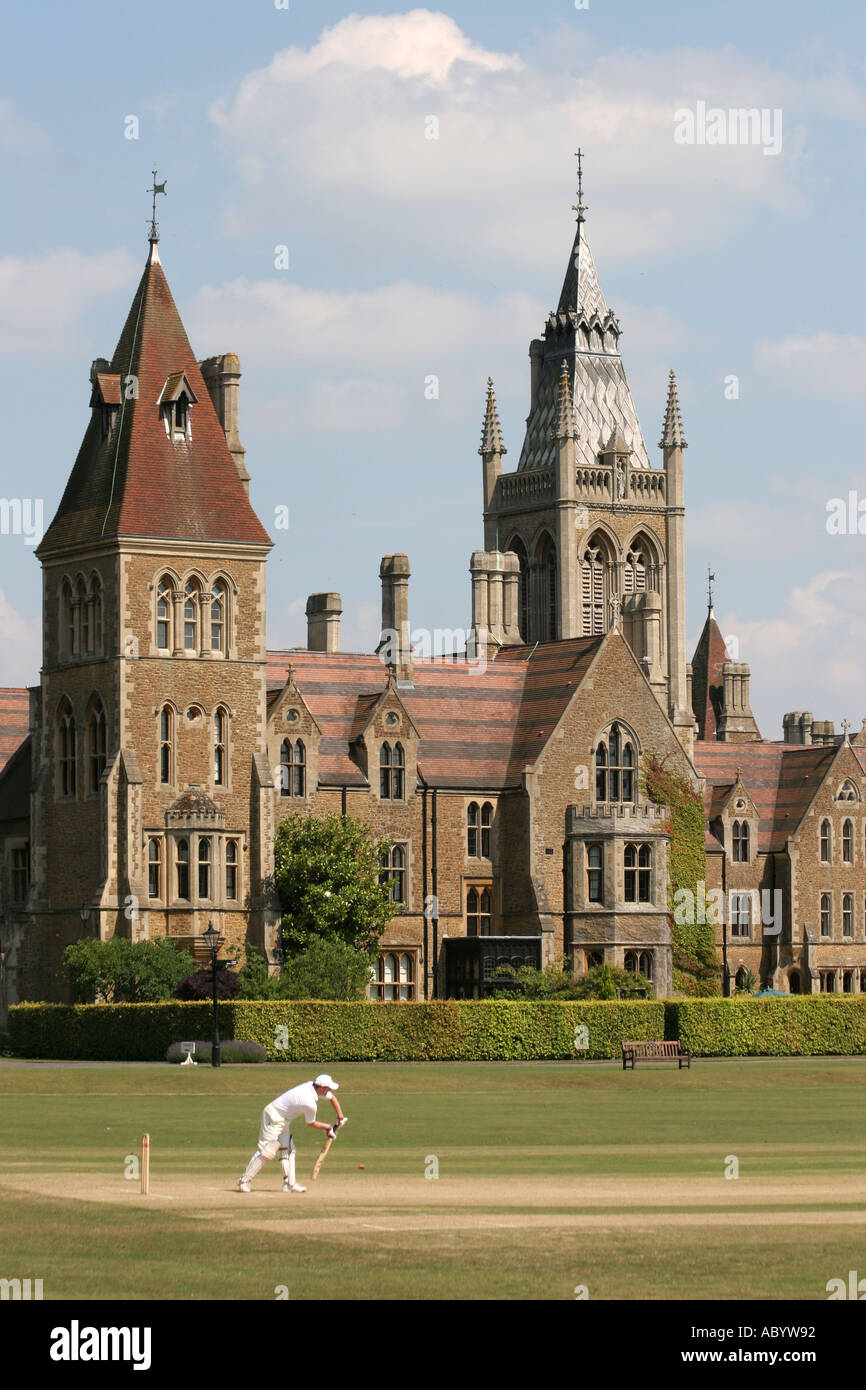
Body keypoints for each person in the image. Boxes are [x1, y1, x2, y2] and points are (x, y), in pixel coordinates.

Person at [237, 1074, 346, 1194]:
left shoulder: (311, 1086)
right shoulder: (309, 1102)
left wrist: (340, 1117)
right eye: (328, 1088)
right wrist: (328, 1128)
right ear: (321, 1088)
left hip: (284, 1119)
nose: (329, 1091)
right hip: (272, 1116)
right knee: (267, 1151)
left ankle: (289, 1184)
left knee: (288, 1150)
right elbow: (311, 1123)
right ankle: (244, 1181)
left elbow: (332, 1098)